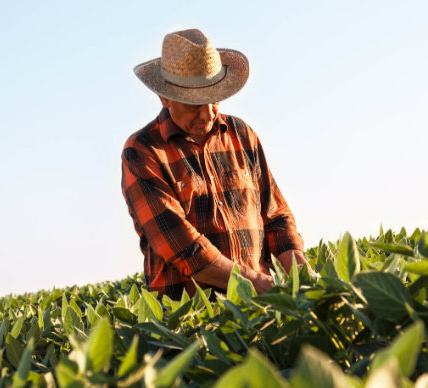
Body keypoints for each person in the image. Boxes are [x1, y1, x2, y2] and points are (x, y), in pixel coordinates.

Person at [121, 29, 306, 299]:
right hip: (189, 318)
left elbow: (276, 217)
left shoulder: (241, 135)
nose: (207, 113)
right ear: (165, 98)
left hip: (258, 307)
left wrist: (302, 277)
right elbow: (183, 248)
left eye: (213, 100)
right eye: (194, 104)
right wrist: (256, 283)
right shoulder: (143, 151)